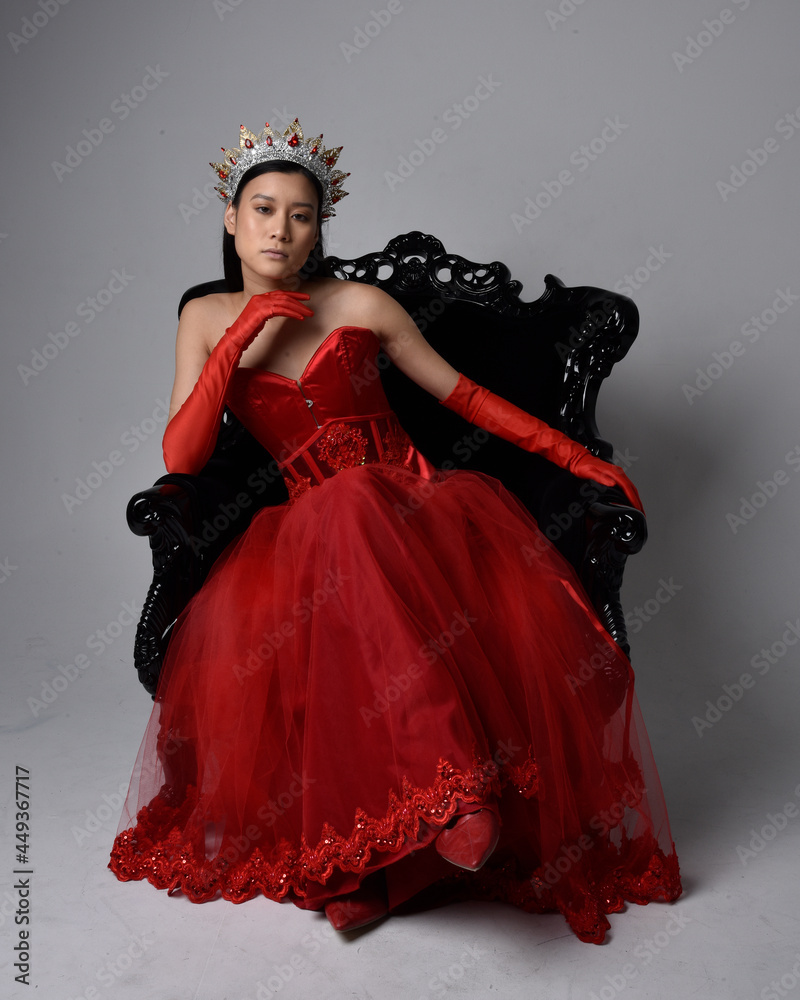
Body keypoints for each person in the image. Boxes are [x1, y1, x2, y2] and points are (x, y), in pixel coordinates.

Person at [109, 117, 681, 944]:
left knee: (352, 507)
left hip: (416, 516)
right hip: (305, 544)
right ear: (231, 220)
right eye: (263, 209)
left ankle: (447, 805)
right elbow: (183, 454)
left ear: (317, 230)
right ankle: (386, 858)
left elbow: (467, 400)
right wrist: (237, 336)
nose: (281, 228)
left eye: (302, 214)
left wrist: (577, 457)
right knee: (331, 527)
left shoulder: (361, 303)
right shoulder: (203, 317)